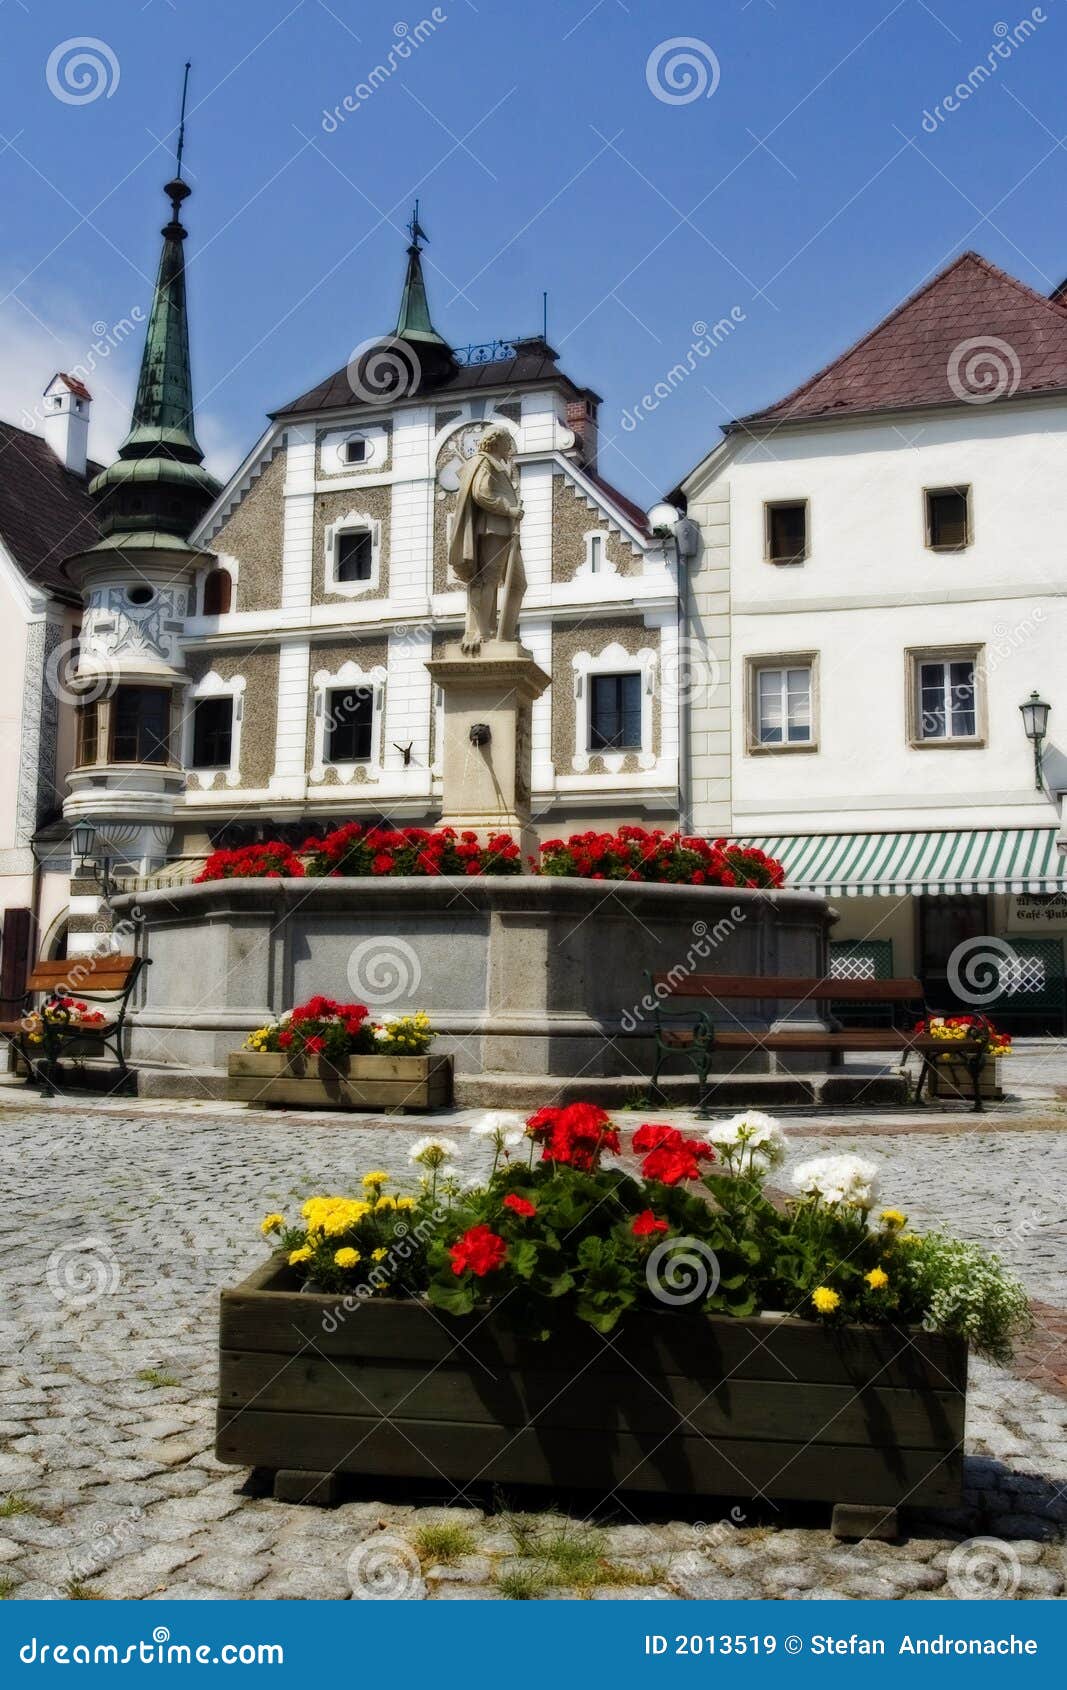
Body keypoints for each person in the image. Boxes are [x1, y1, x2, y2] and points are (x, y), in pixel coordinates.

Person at [447, 426, 526, 655]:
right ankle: (482, 633)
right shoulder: (485, 462)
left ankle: (506, 635)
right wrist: (508, 510)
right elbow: (481, 493)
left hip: (506, 532)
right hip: (493, 529)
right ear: (497, 442)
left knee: (518, 584)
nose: (510, 446)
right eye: (507, 441)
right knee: (488, 580)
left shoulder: (497, 464)